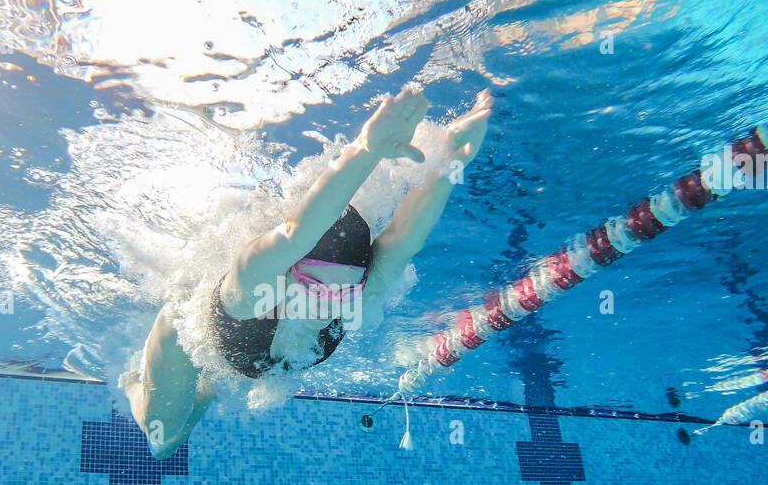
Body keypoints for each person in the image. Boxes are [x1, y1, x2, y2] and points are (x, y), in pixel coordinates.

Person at [123, 85, 493, 458]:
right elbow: (294, 235)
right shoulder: (249, 291)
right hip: (185, 333)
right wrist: (367, 149)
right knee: (165, 440)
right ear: (285, 276)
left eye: (343, 293)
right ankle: (130, 382)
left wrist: (451, 163)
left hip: (235, 356)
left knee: (176, 436)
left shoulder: (352, 301)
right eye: (316, 289)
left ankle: (204, 392)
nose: (328, 307)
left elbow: (403, 241)